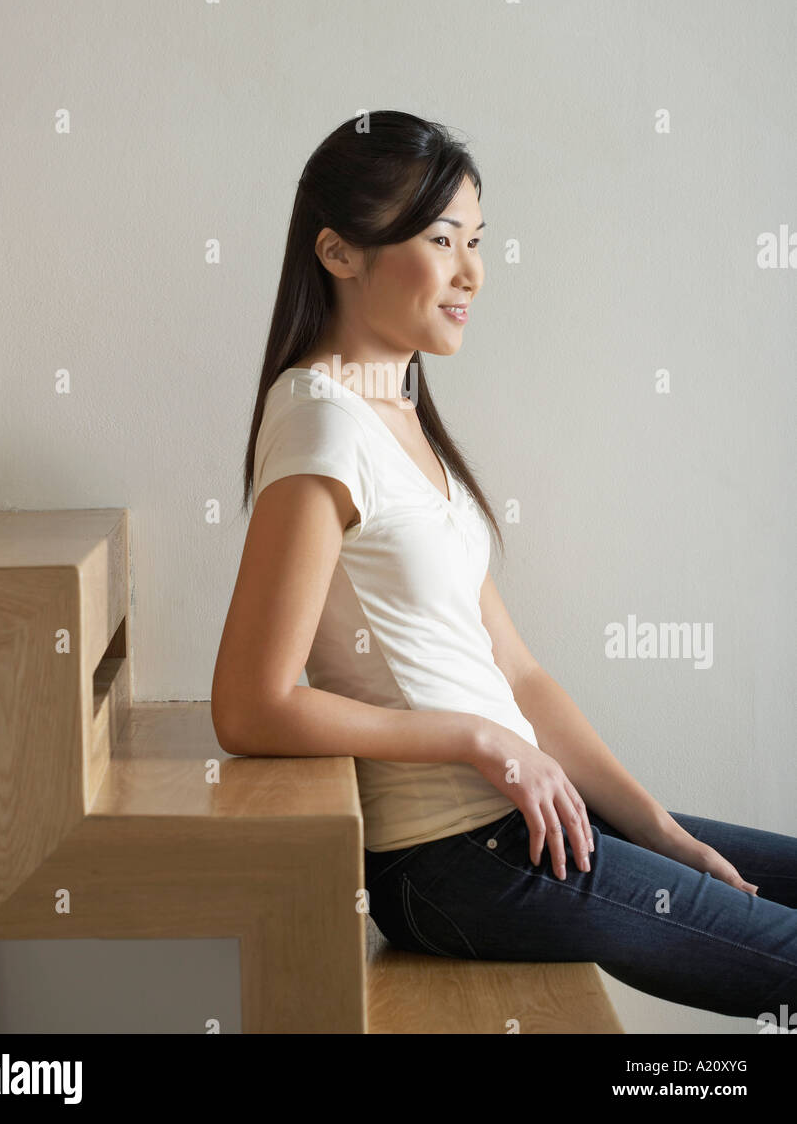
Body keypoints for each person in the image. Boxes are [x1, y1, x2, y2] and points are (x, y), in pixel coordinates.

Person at [211, 110, 797, 1023]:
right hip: (450, 856)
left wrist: (655, 825)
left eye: (477, 241)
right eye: (440, 239)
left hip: (525, 817)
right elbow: (251, 704)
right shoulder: (321, 419)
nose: (471, 272)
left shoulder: (400, 413)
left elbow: (517, 670)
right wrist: (481, 741)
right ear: (338, 251)